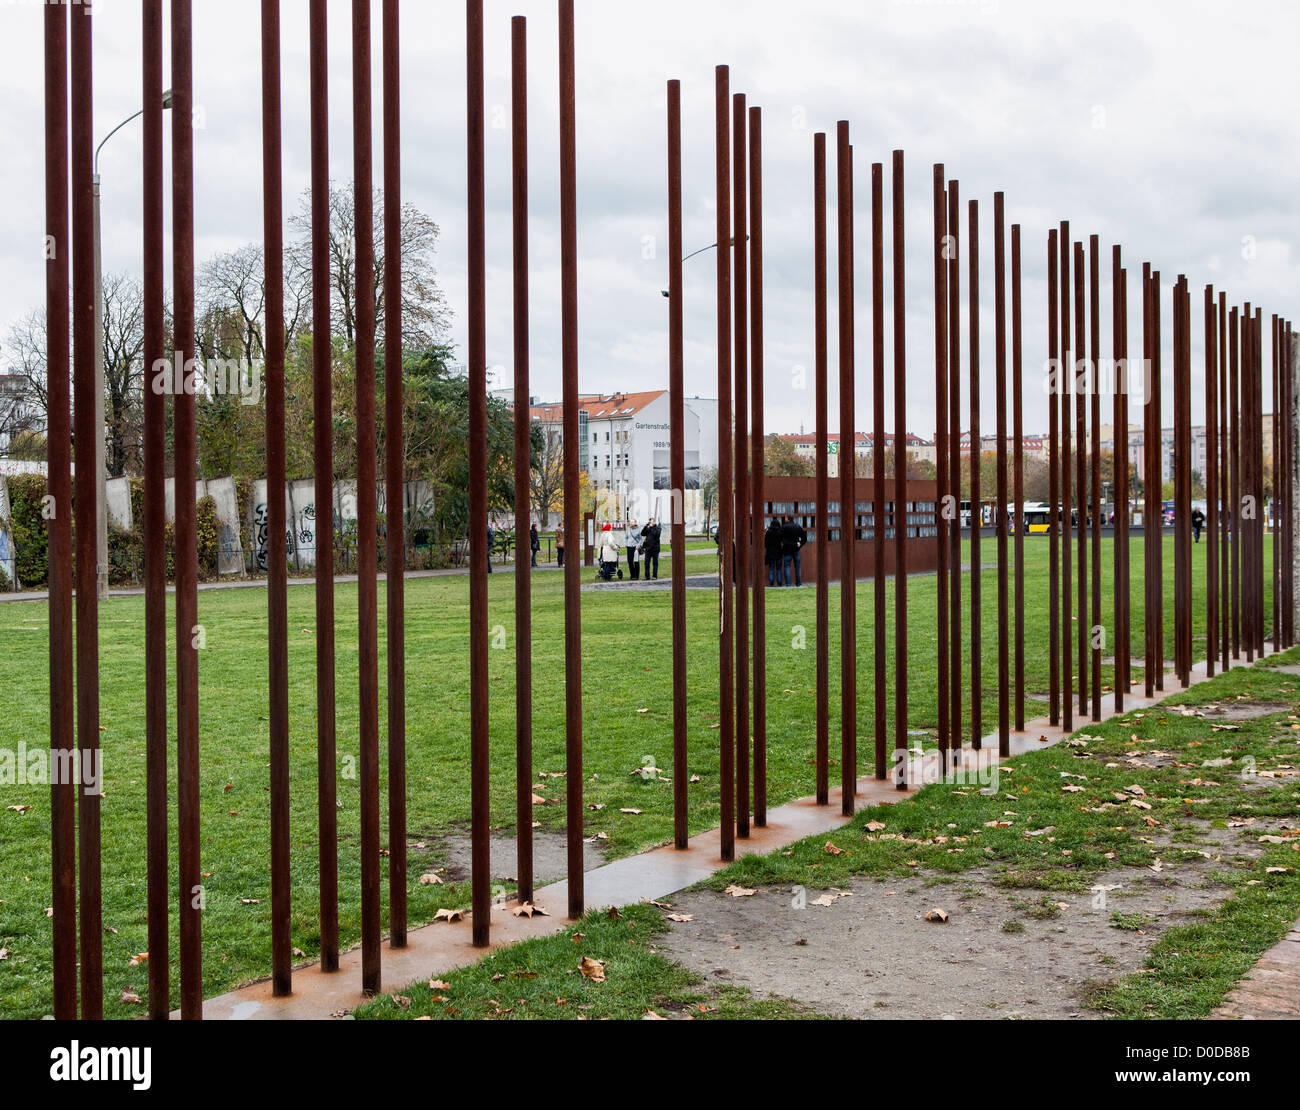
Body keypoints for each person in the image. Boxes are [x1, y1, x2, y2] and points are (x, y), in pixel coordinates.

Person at [781, 515, 807, 587]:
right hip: (796, 549)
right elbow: (804, 538)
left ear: (787, 519)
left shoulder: (784, 527)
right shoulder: (797, 526)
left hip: (787, 549)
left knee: (787, 566)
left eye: (785, 518)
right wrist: (800, 544)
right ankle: (798, 584)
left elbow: (780, 537)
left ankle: (788, 585)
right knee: (797, 567)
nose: (785, 519)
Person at [764, 517, 783, 587]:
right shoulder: (780, 532)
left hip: (770, 552)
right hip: (778, 552)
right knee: (779, 569)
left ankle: (771, 584)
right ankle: (779, 584)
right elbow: (782, 541)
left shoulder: (768, 532)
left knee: (771, 568)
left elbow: (765, 543)